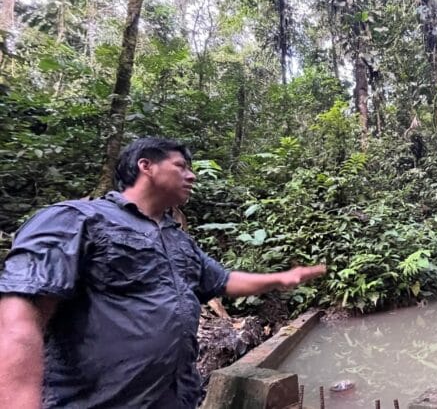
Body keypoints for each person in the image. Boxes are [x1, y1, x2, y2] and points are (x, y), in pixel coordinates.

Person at [0, 137, 326, 408]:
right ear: (146, 166)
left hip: (174, 398)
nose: (192, 175)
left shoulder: (177, 239)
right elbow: (20, 317)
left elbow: (222, 280)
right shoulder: (77, 220)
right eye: (181, 166)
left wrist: (281, 278)